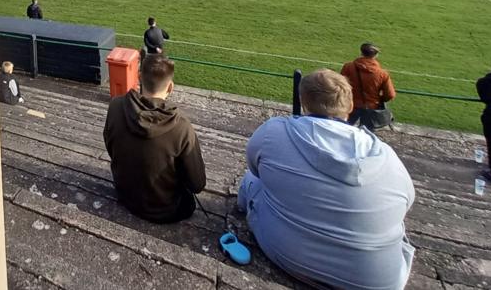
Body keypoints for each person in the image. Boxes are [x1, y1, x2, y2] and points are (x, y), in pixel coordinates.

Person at [237, 69, 415, 290]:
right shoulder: (387, 156)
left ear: (303, 102)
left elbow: (255, 169)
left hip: (289, 256)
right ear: (350, 106)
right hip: (381, 282)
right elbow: (406, 203)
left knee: (252, 180)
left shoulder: (274, 131)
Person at [103, 54, 205, 223]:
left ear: (139, 77)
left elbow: (110, 147)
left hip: (125, 196)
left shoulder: (116, 106)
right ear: (170, 87)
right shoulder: (181, 127)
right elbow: (197, 184)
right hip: (165, 211)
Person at [340, 43, 396, 130]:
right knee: (367, 133)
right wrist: (380, 99)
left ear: (361, 52)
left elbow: (340, 85)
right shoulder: (382, 74)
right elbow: (390, 94)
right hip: (371, 107)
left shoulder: (348, 67)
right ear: (376, 55)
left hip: (350, 104)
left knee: (343, 129)